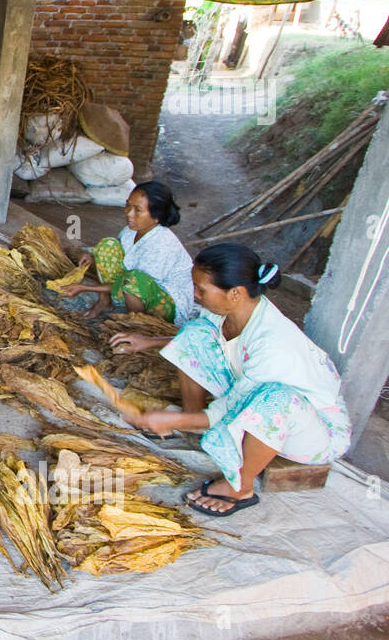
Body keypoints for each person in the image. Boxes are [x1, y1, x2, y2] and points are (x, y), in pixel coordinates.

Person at [110, 244, 351, 517]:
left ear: (234, 293)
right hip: (261, 399)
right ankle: (195, 420)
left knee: (276, 398)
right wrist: (148, 342)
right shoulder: (229, 311)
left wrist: (170, 420)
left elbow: (234, 406)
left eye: (201, 289)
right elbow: (204, 343)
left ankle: (241, 486)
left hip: (315, 433)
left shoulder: (274, 345)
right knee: (195, 332)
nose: (195, 294)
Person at [57, 181, 196, 325]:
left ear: (157, 216)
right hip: (136, 286)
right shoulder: (131, 230)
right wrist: (92, 256)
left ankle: (139, 324)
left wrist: (85, 288)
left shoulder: (162, 245)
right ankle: (104, 302)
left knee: (133, 280)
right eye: (128, 205)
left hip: (168, 304)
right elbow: (117, 254)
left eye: (138, 210)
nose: (129, 213)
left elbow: (134, 283)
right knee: (107, 245)